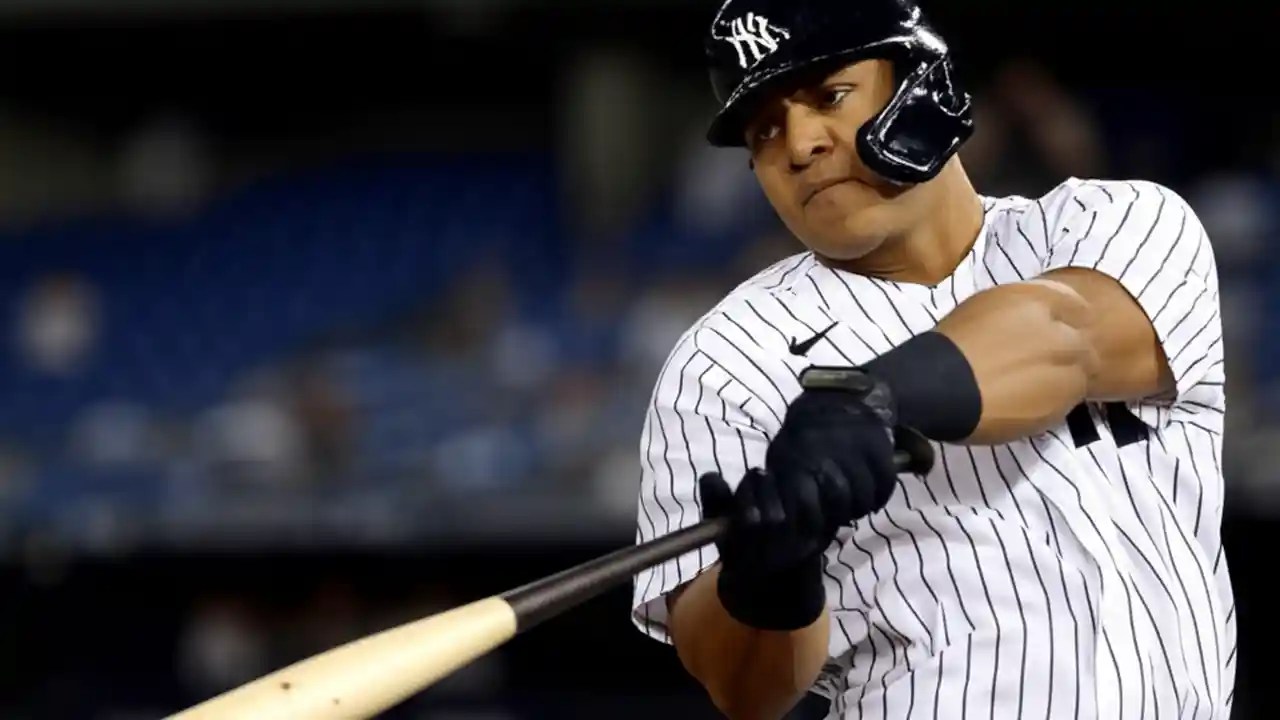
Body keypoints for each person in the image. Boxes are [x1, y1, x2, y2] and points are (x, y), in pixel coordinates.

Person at [629, 0, 1236, 718]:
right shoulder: (727, 359)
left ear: (923, 85)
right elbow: (743, 689)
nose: (798, 145)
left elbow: (1064, 335)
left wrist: (873, 397)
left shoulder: (1113, 225)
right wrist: (768, 582)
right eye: (764, 130)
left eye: (830, 96)